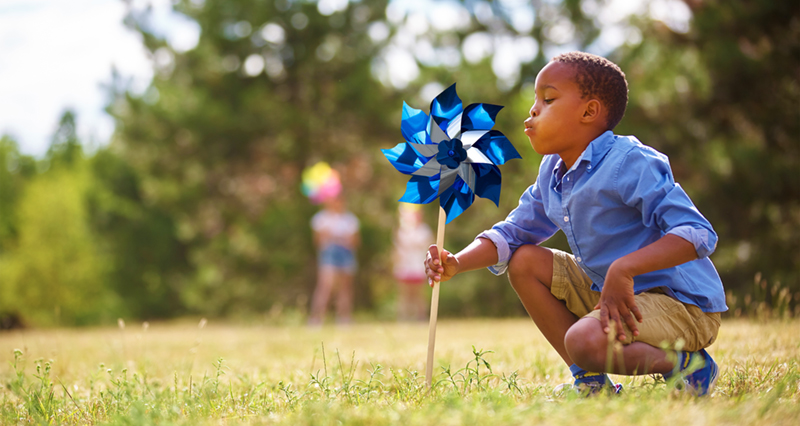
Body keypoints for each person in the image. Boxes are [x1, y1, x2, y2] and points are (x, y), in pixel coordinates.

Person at [424, 51, 727, 396]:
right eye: (535, 100)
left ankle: (690, 366)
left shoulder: (628, 162)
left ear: (589, 112)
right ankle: (591, 383)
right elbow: (511, 234)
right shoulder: (552, 173)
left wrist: (624, 269)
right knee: (523, 261)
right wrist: (457, 263)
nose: (533, 110)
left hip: (680, 305)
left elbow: (697, 233)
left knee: (582, 341)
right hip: (612, 294)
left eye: (548, 99)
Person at [308, 194, 360, 326]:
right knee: (325, 286)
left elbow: (355, 241)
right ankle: (317, 318)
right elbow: (317, 241)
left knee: (345, 287)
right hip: (328, 254)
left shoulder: (350, 219)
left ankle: (344, 318)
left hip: (346, 254)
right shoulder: (321, 218)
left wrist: (343, 239)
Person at [393, 204, 434, 321]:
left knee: (419, 294)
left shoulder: (424, 230)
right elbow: (397, 249)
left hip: (418, 266)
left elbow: (429, 247)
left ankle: (421, 317)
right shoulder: (401, 231)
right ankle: (403, 318)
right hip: (404, 266)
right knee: (404, 295)